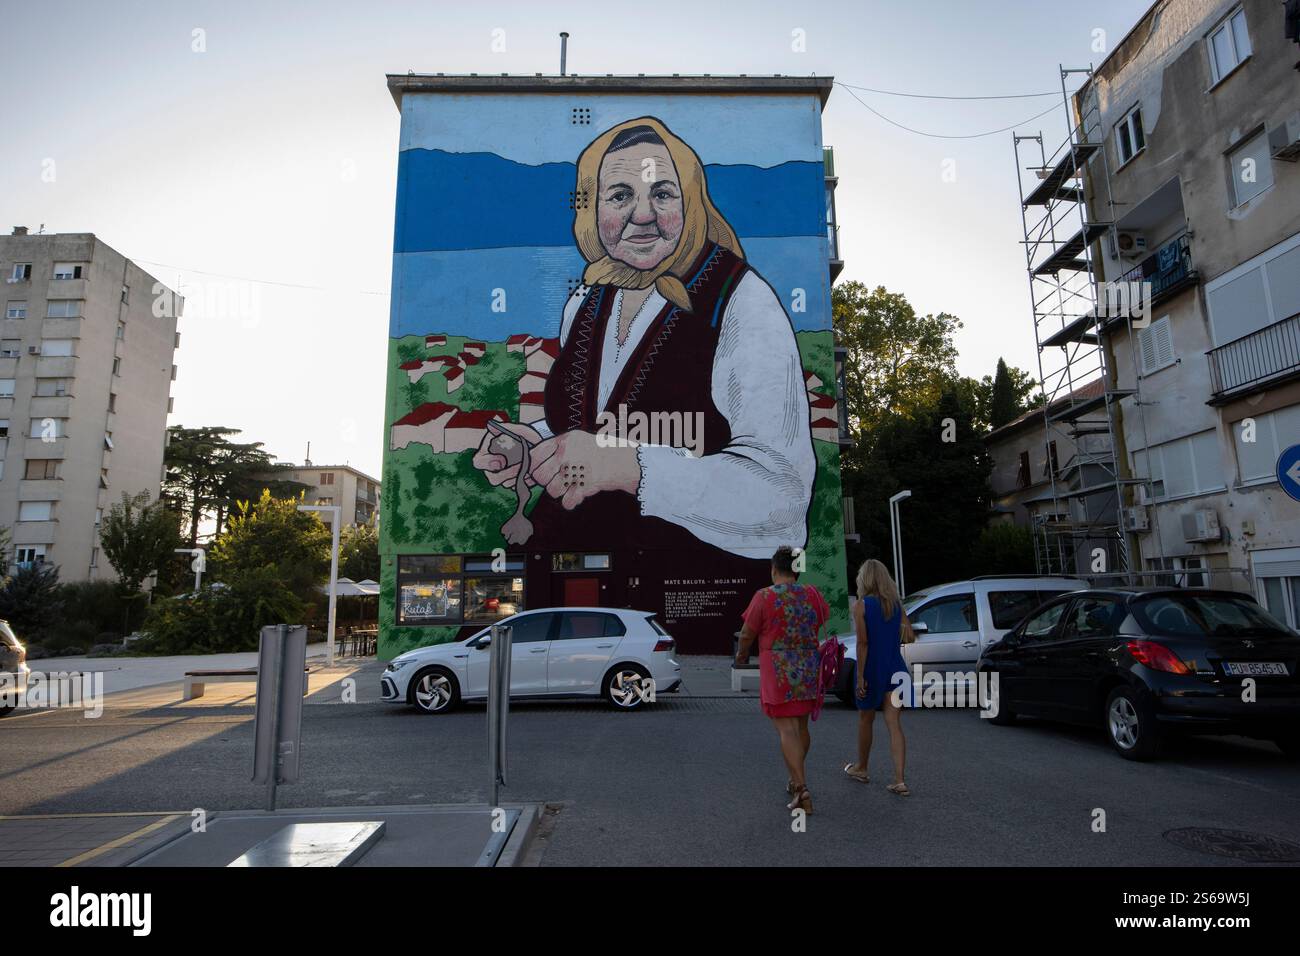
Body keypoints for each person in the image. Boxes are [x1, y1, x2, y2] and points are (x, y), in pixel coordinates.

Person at [471, 117, 815, 563]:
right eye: (620, 195)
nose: (644, 215)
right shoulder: (587, 299)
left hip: (687, 588)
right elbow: (601, 425)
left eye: (663, 193)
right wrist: (533, 446)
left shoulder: (741, 300)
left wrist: (626, 466)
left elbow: (783, 504)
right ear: (592, 209)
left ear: (691, 202)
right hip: (574, 570)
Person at [735, 546, 829, 814]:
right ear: (797, 570)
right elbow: (822, 618)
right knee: (801, 728)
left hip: (778, 670)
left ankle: (802, 789)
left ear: (774, 569)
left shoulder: (764, 596)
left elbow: (746, 633)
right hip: (809, 669)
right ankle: (795, 779)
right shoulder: (813, 594)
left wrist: (742, 655)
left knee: (786, 729)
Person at [844, 559, 912, 796]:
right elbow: (910, 636)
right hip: (896, 668)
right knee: (894, 724)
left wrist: (861, 676)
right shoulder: (895, 605)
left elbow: (863, 643)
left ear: (864, 579)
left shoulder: (861, 606)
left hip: (873, 669)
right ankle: (900, 780)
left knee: (866, 719)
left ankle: (862, 768)